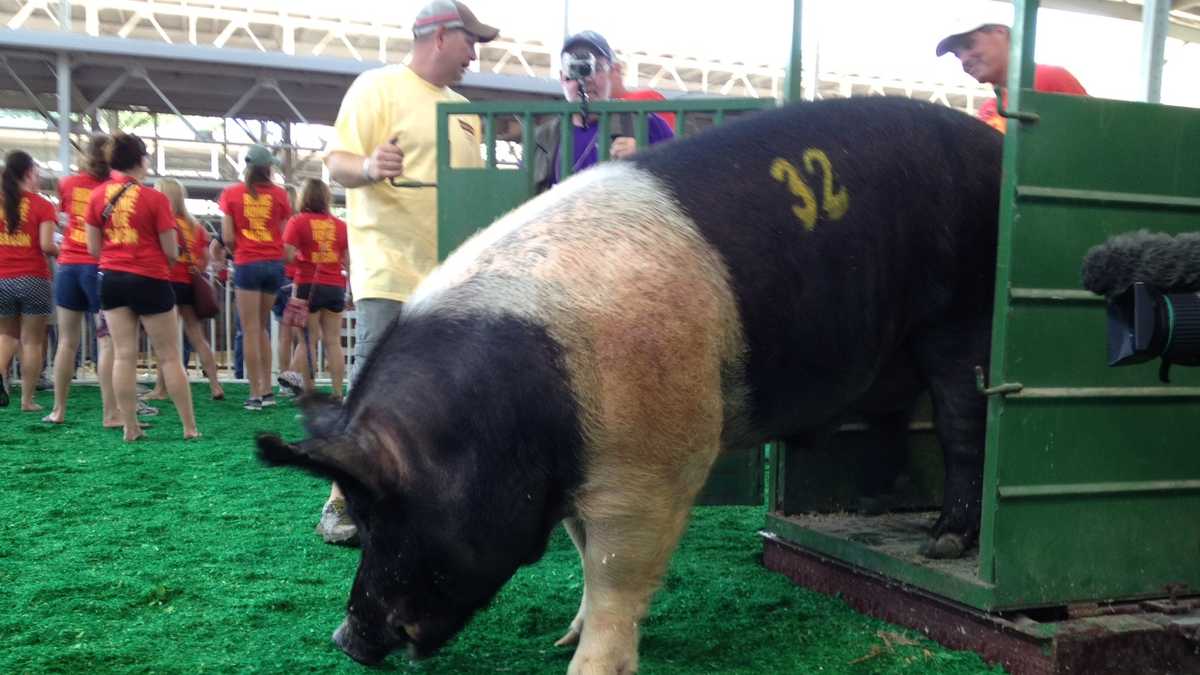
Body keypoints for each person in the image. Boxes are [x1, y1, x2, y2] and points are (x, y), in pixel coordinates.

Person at [320, 0, 498, 544]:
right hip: (389, 268)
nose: (475, 53)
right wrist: (371, 166)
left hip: (452, 277)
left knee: (448, 392)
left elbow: (473, 195)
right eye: (471, 41)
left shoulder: (465, 111)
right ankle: (340, 503)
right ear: (440, 37)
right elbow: (337, 162)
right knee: (377, 384)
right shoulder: (376, 87)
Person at [85, 132, 199, 442]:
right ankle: (189, 427)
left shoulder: (97, 197)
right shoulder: (156, 199)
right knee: (169, 356)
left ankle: (129, 427)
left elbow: (93, 248)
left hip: (111, 279)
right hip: (151, 278)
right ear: (141, 161)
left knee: (123, 355)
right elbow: (172, 251)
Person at [535, 30, 675, 192]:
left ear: (611, 72)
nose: (586, 78)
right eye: (575, 67)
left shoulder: (647, 124)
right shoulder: (544, 138)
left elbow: (683, 179)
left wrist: (646, 162)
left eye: (597, 67)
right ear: (562, 77)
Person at [44, 134, 120, 425]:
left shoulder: (67, 184)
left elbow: (63, 222)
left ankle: (58, 409)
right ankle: (110, 412)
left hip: (67, 267)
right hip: (97, 267)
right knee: (107, 343)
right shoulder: (113, 189)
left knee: (66, 342)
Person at [219, 144, 291, 411]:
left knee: (250, 329)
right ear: (268, 168)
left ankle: (255, 392)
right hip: (273, 265)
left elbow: (226, 236)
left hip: (247, 263)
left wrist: (238, 249)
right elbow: (284, 236)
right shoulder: (281, 196)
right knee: (262, 327)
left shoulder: (232, 194)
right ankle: (268, 389)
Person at [142, 178, 224, 401]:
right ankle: (215, 385)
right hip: (188, 284)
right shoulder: (195, 227)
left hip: (166, 283)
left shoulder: (162, 222)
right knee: (197, 336)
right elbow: (204, 258)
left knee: (165, 341)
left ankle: (161, 389)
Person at [936, 23, 1087, 133]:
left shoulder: (1047, 77)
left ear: (1000, 31)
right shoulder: (988, 110)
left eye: (969, 44)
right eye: (957, 55)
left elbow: (1092, 138)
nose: (964, 60)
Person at [0, 150, 59, 411]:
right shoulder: (42, 205)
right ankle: (27, 401)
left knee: (7, 335)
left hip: (2, 278)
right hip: (34, 278)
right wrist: (65, 250)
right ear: (28, 173)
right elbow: (47, 245)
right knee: (33, 341)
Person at [283, 178, 349, 397]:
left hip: (308, 285)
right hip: (335, 285)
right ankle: (338, 392)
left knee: (307, 340)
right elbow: (348, 261)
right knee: (333, 340)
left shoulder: (297, 222)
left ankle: (309, 393)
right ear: (327, 198)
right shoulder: (341, 226)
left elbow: (288, 255)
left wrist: (304, 258)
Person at [574, 30, 676, 131]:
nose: (588, 78)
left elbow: (668, 141)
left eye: (598, 68)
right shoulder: (579, 115)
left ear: (616, 69)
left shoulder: (647, 98)